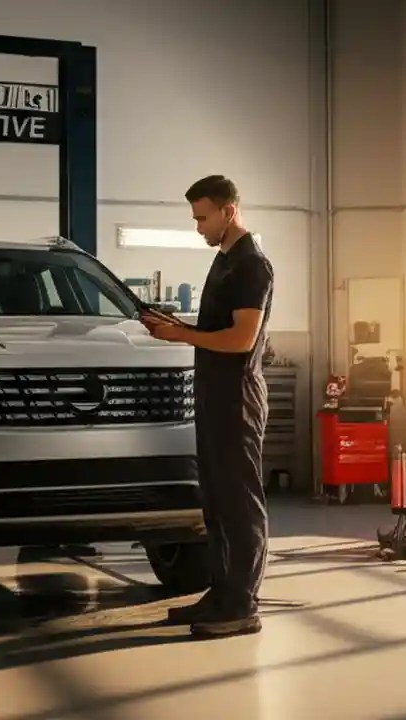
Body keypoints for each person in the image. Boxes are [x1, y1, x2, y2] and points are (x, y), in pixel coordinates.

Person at [140, 175, 274, 638]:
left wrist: (180, 334)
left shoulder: (252, 266)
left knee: (239, 502)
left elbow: (241, 339)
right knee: (215, 501)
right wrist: (177, 323)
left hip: (237, 398)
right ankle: (220, 592)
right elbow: (219, 325)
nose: (198, 226)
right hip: (213, 395)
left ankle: (241, 604)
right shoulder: (224, 261)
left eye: (202, 217)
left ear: (228, 211)